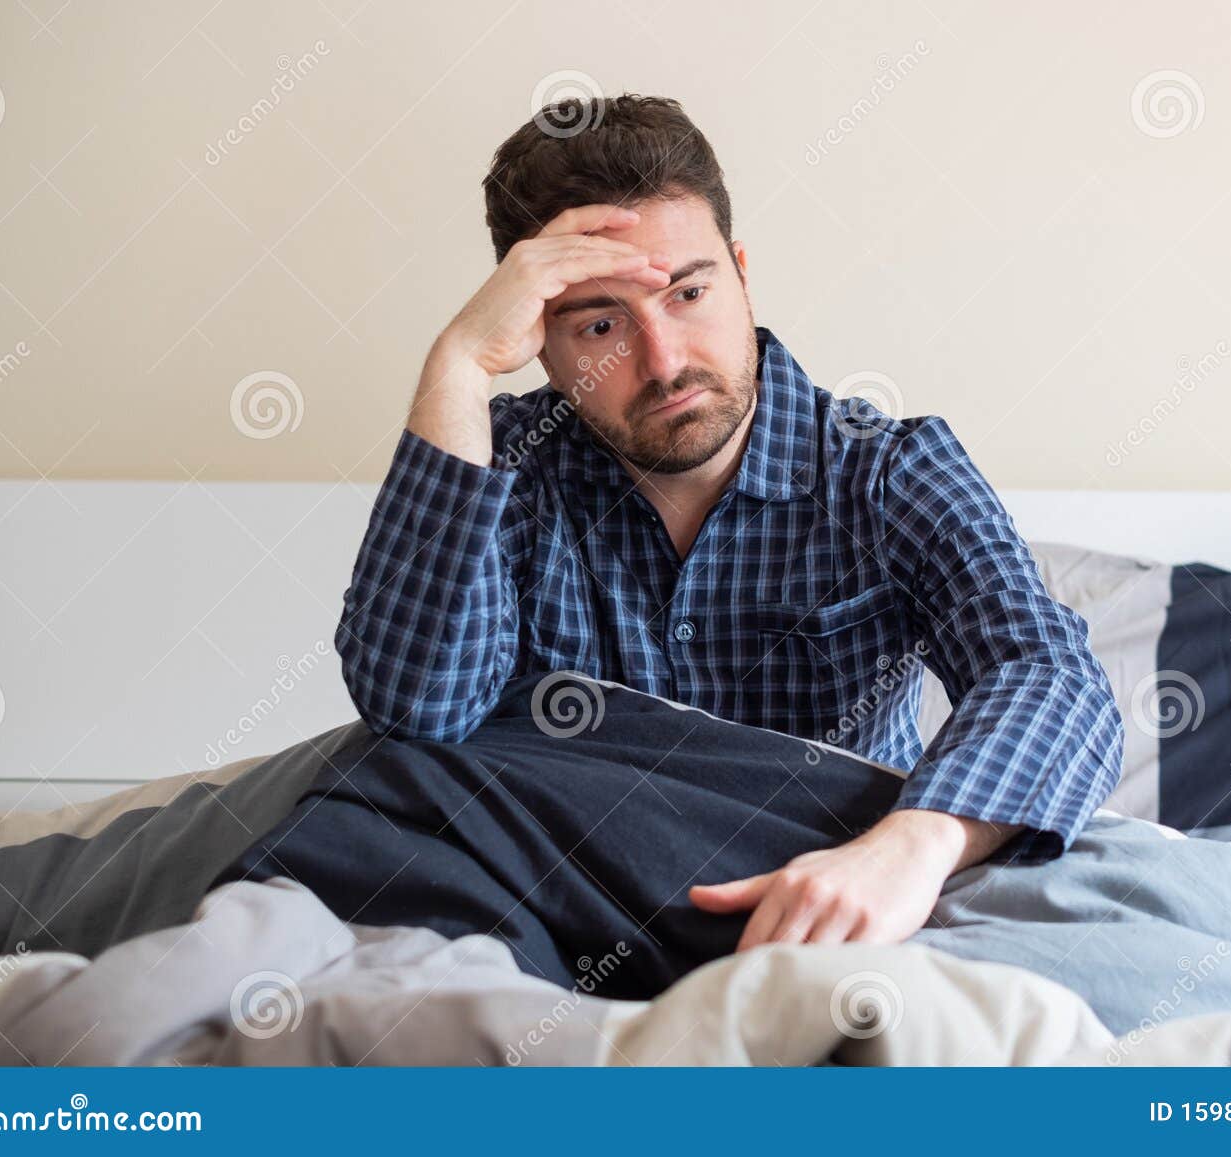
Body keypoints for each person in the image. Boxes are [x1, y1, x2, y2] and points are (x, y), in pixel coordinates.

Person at [337, 93, 1123, 954]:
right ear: (541, 345)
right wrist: (458, 364)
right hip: (558, 910)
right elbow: (417, 713)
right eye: (601, 324)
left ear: (742, 274)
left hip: (826, 912)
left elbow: (1049, 671)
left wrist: (912, 846)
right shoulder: (512, 468)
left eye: (689, 293)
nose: (664, 359)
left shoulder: (882, 468)